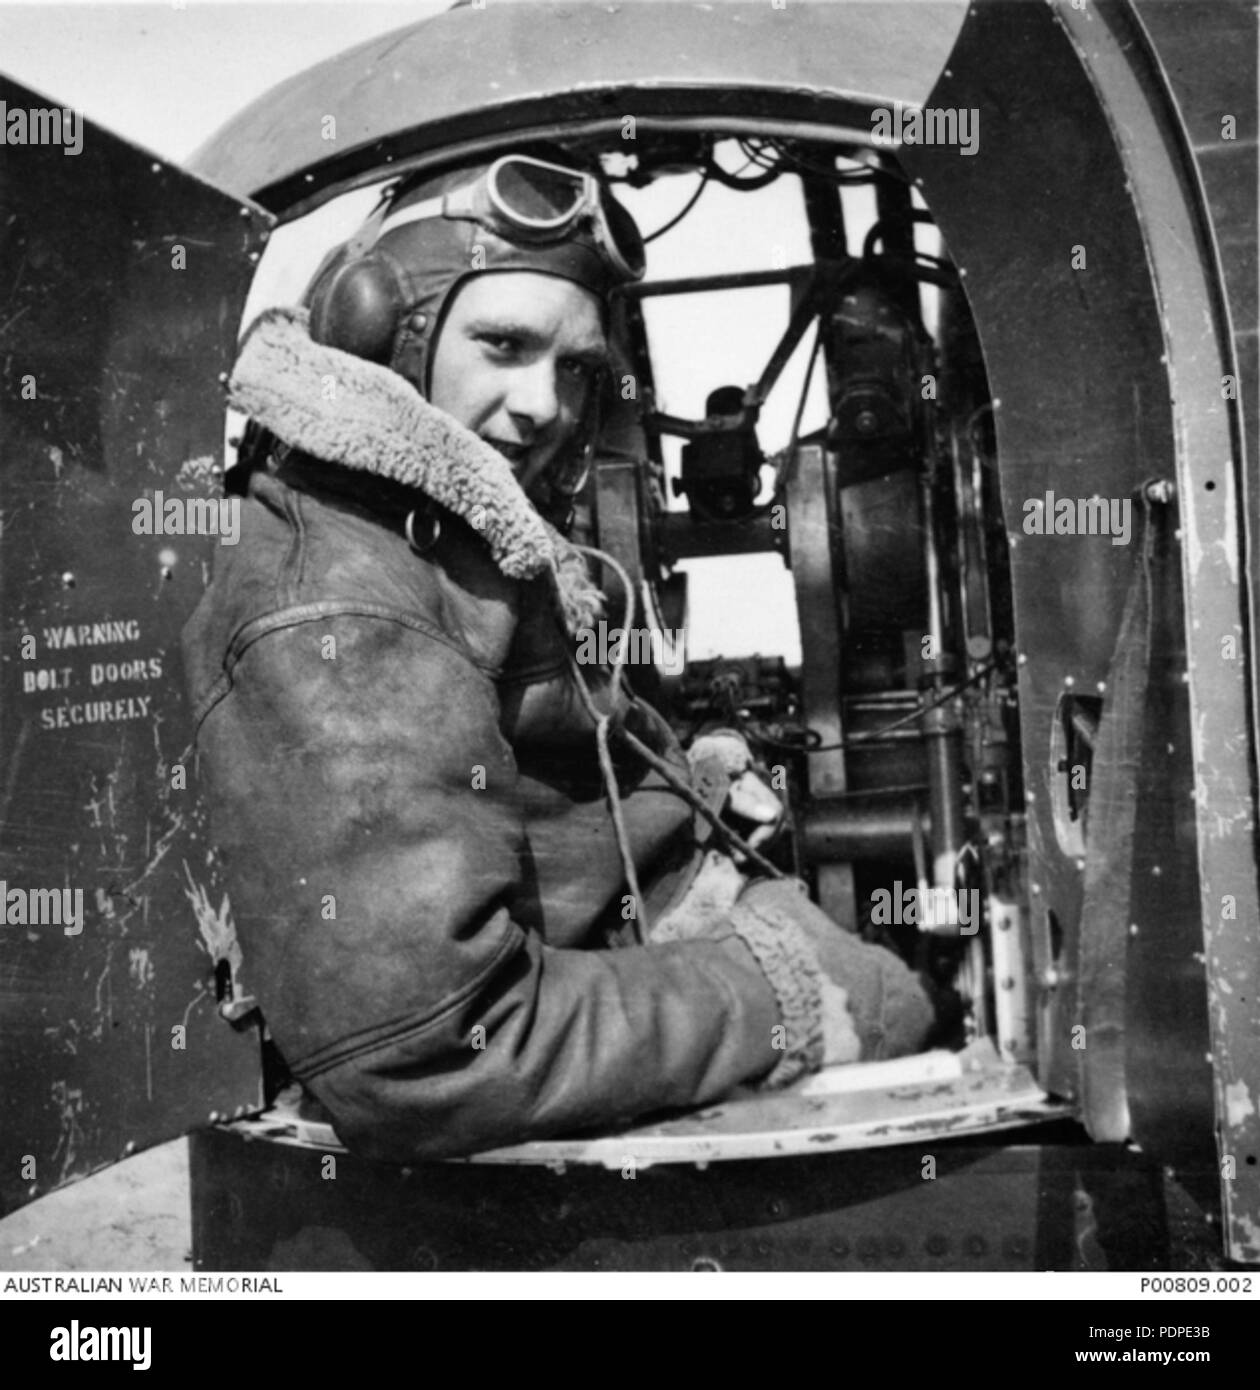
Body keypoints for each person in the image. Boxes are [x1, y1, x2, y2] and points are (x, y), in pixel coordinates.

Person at [181, 151, 944, 1163]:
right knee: (904, 1006)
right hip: (572, 1033)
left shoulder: (441, 535)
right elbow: (439, 1057)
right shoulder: (339, 601)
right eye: (503, 345)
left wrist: (687, 771)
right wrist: (779, 997)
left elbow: (535, 765)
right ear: (381, 330)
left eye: (576, 368)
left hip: (652, 937)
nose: (544, 404)